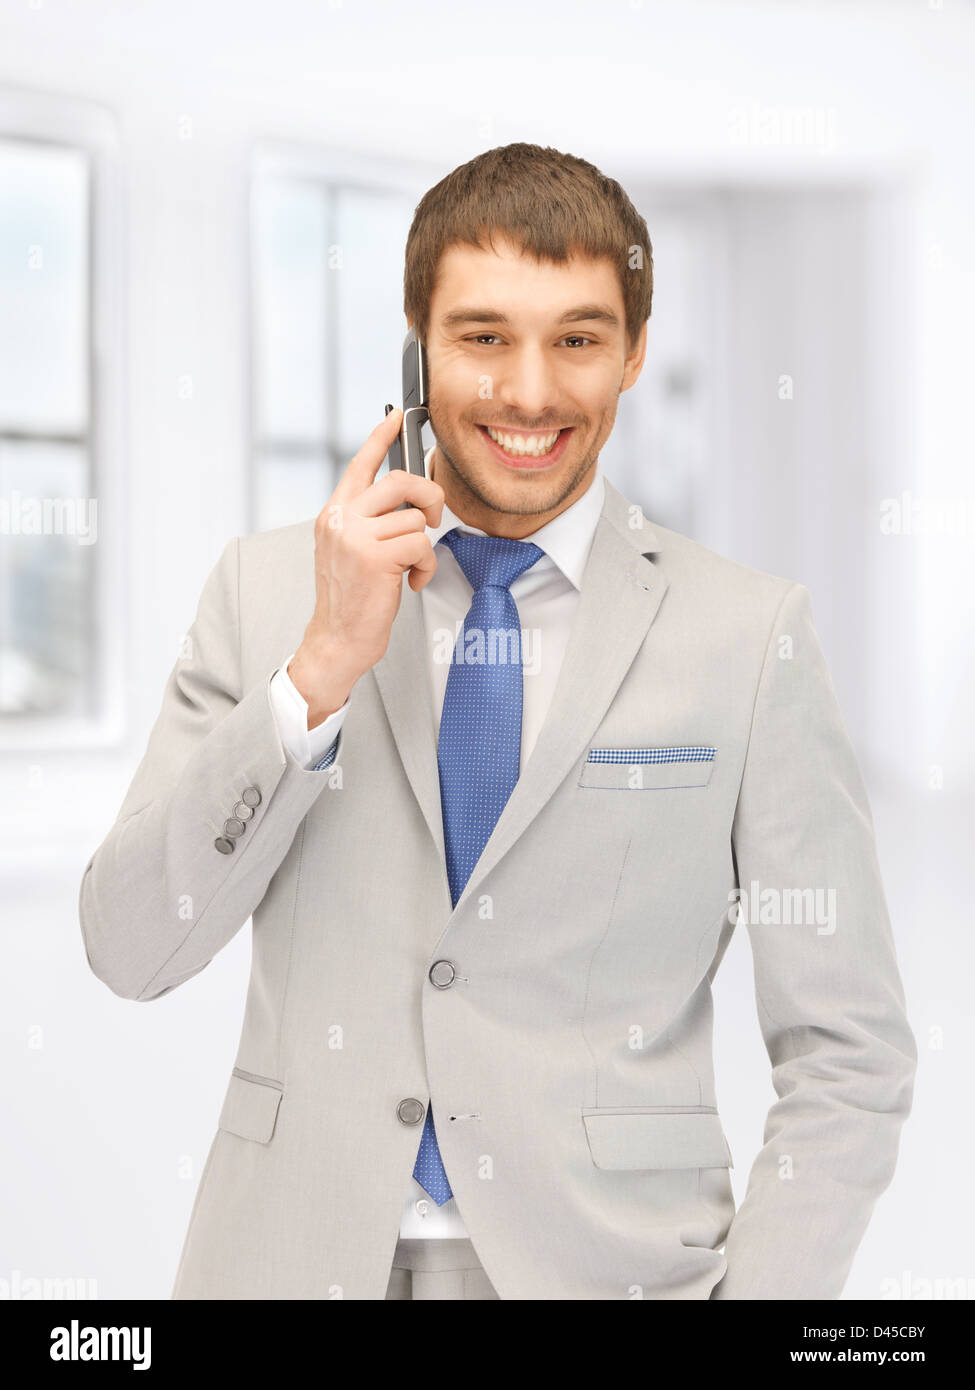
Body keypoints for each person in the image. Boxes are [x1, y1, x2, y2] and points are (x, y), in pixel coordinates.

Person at [79, 142, 917, 1300]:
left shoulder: (748, 632)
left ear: (630, 356)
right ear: (416, 346)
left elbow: (851, 1052)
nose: (530, 391)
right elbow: (131, 947)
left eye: (577, 337)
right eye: (483, 337)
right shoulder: (263, 593)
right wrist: (319, 667)